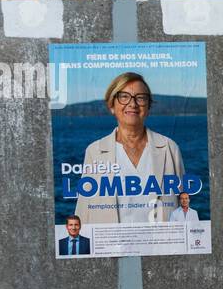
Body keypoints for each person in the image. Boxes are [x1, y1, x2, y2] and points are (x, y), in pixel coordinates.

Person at [74, 72, 185, 226]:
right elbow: (83, 211)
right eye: (124, 97)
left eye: (140, 97)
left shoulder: (169, 148)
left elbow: (184, 205)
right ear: (112, 105)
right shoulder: (94, 152)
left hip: (160, 247)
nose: (132, 104)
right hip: (111, 247)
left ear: (148, 106)